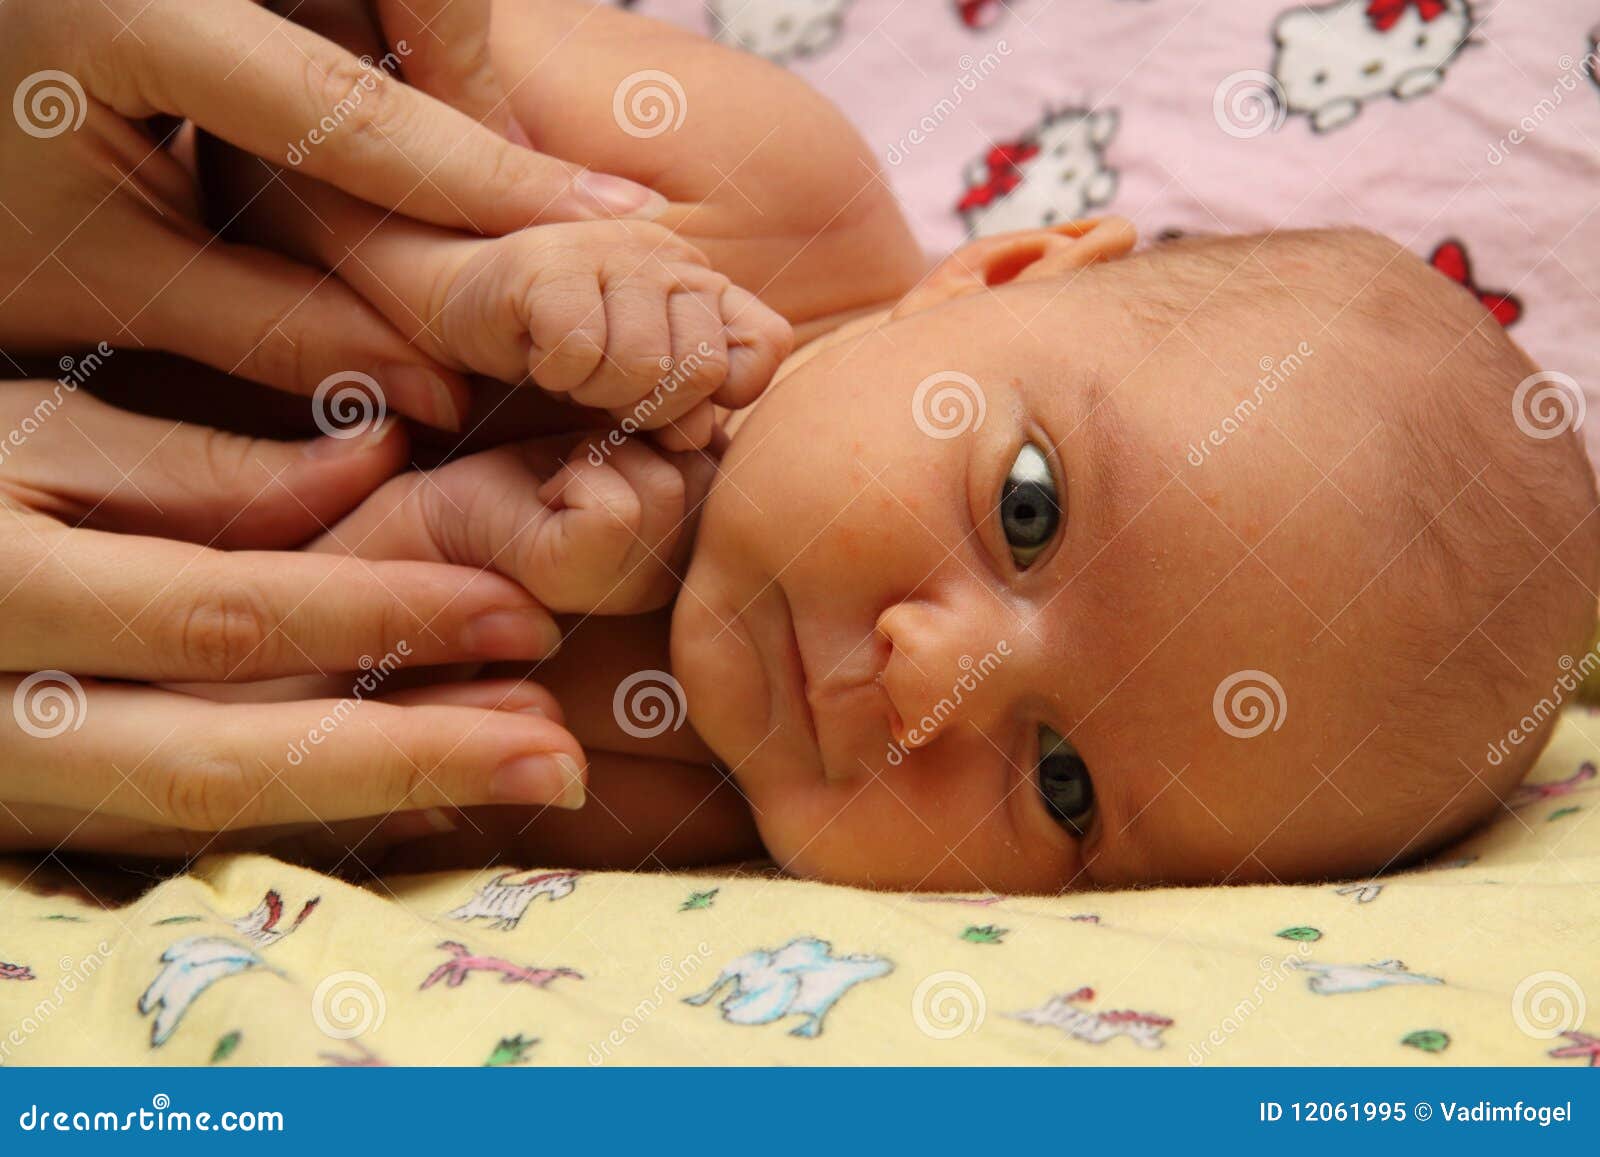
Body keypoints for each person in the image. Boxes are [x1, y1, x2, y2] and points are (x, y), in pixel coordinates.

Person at [0, 0, 701, 854]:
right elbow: (321, 70)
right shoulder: (801, 203)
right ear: (920, 298)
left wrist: (438, 530)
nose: (914, 680)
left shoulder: (715, 770)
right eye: (923, 504)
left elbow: (327, 759)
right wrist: (448, 276)